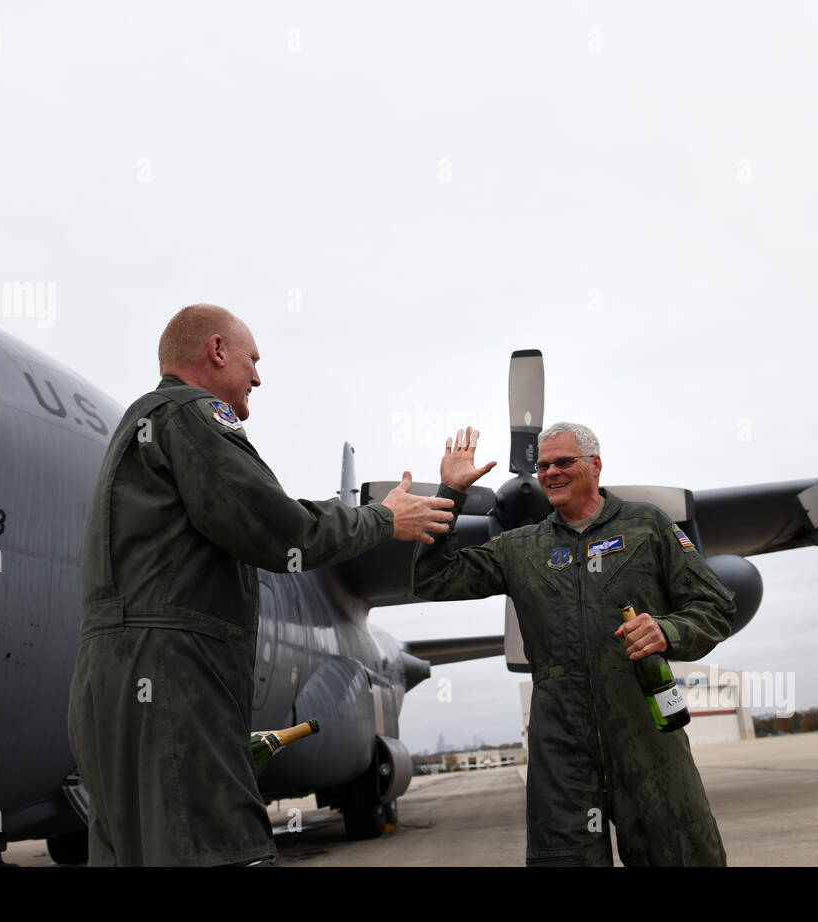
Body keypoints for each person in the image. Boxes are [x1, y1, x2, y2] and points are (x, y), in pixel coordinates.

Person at [67, 304, 455, 865]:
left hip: (110, 690)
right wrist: (383, 519)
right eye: (252, 360)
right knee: (220, 848)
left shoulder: (136, 428)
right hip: (176, 681)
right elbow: (282, 531)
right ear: (216, 350)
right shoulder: (193, 417)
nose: (257, 378)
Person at [413, 422, 737, 865]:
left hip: (647, 737)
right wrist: (450, 493)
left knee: (682, 853)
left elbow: (715, 606)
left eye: (564, 462)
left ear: (595, 465)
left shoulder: (647, 526)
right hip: (560, 748)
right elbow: (434, 579)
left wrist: (668, 630)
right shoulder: (520, 548)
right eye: (544, 465)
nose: (550, 473)